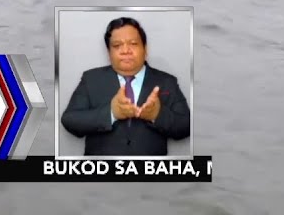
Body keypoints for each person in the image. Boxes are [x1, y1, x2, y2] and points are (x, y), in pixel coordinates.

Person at [60, 16, 191, 156]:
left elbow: (186, 126)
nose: (125, 50)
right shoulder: (91, 79)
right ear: (109, 52)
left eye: (133, 43)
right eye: (117, 46)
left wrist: (157, 115)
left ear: (145, 49)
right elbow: (70, 120)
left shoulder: (167, 81)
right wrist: (111, 113)